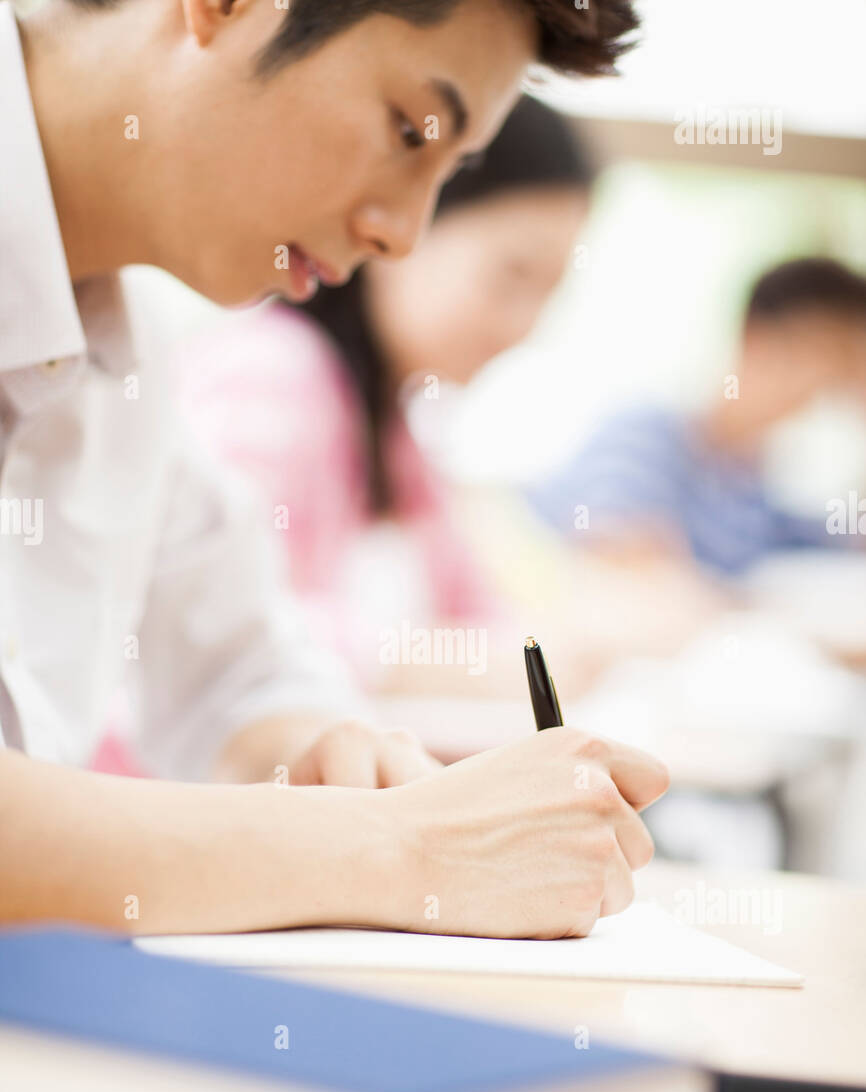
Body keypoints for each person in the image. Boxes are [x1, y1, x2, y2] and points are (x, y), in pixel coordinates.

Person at [0, 0, 667, 939]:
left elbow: (243, 671)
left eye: (449, 172)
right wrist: (399, 850)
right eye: (408, 130)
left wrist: (326, 755)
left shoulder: (127, 356)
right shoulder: (266, 374)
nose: (405, 232)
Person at [178, 96, 593, 693]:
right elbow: (216, 629)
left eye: (549, 292)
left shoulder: (396, 428)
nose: (525, 325)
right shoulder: (267, 375)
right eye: (514, 276)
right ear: (404, 229)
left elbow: (482, 613)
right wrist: (445, 660)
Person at [528, 258, 866, 605]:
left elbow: (848, 537)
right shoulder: (646, 434)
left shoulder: (749, 488)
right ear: (756, 337)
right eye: (831, 353)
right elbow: (628, 565)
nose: (830, 379)